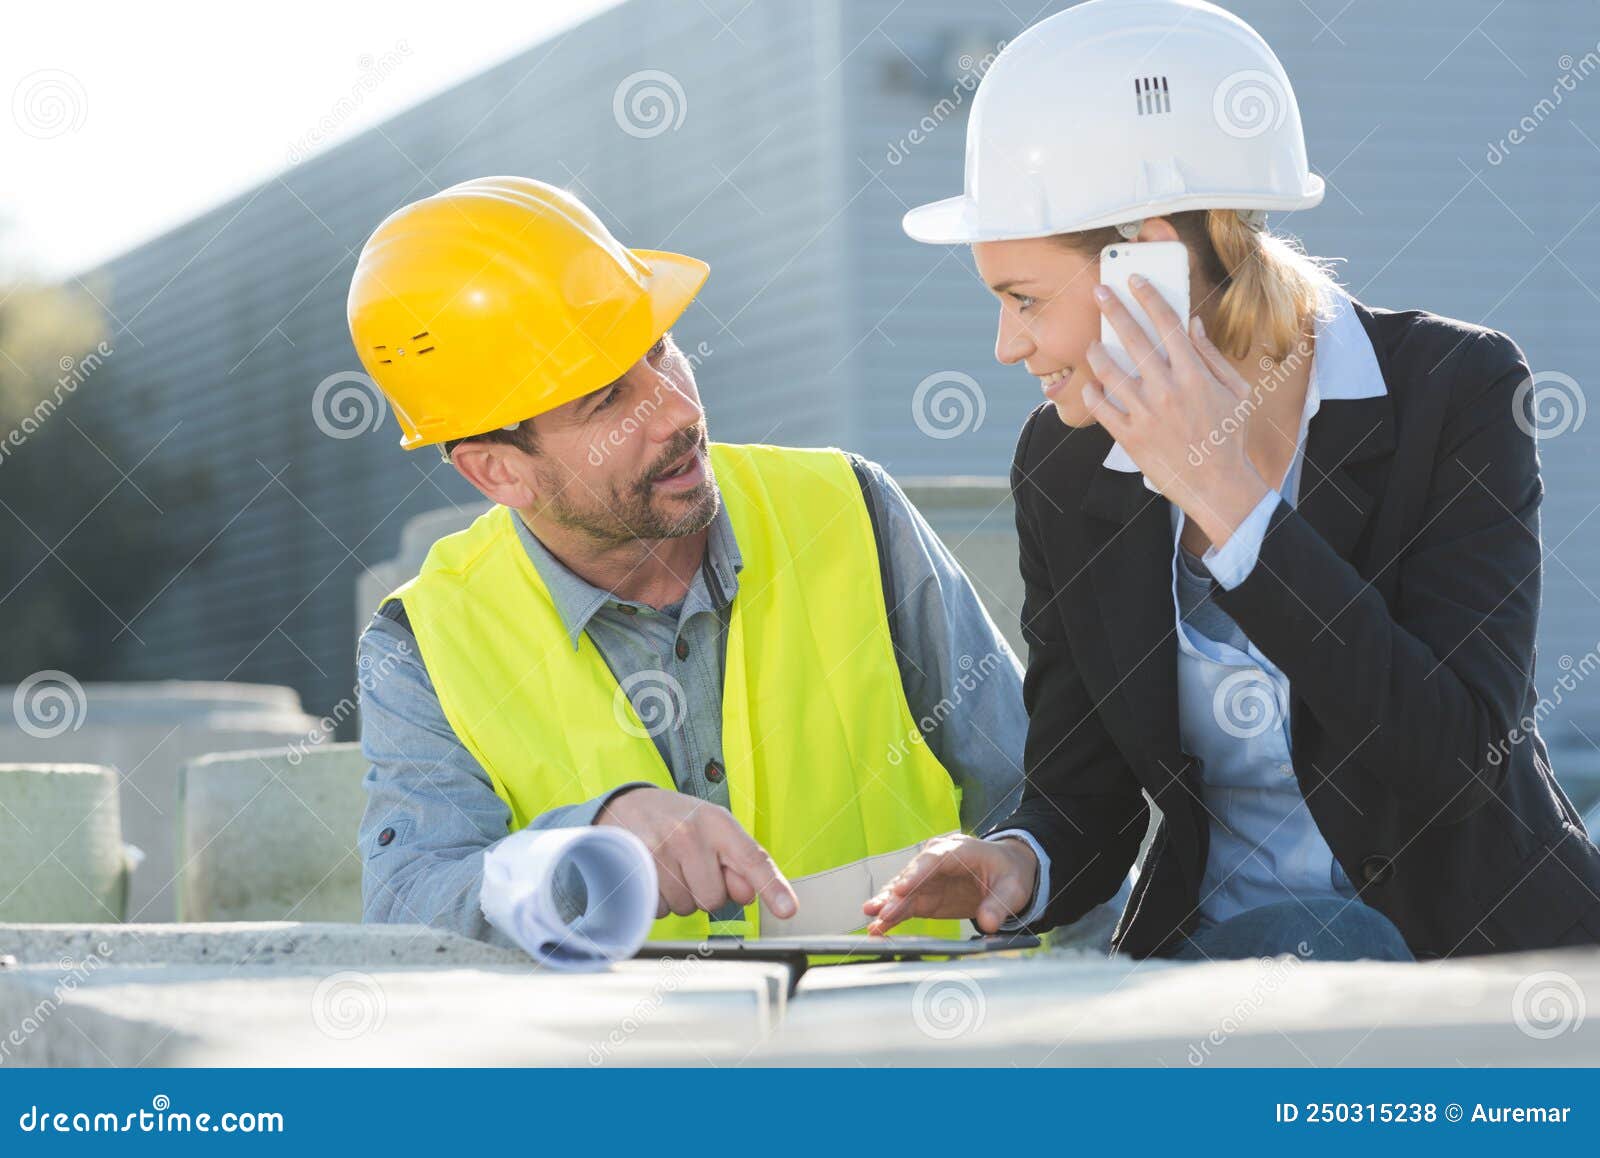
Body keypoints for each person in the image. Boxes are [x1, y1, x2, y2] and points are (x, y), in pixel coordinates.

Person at [864, 0, 1600, 961]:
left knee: (1326, 938)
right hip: (1219, 973)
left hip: (1474, 970)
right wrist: (1017, 861)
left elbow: (1452, 761)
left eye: (1025, 300)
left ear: (1149, 260)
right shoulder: (1065, 462)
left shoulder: (1453, 392)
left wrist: (1237, 509)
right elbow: (1081, 792)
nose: (1009, 348)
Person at [345, 176, 1032, 948]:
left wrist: (1020, 871)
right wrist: (586, 849)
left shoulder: (848, 509)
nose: (676, 410)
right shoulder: (424, 641)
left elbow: (1043, 799)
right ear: (499, 472)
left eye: (660, 351)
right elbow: (411, 907)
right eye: (606, 399)